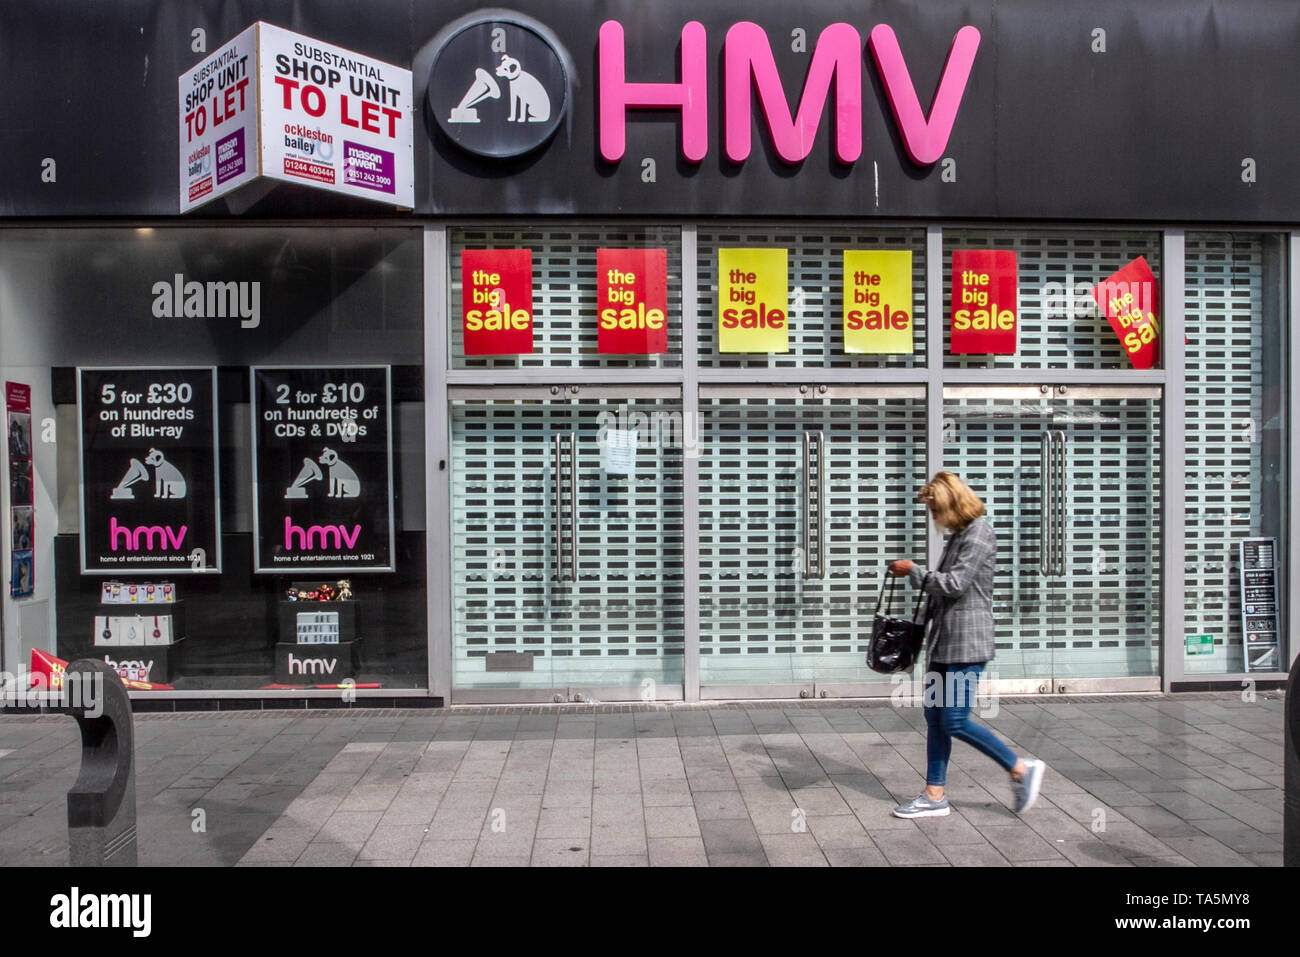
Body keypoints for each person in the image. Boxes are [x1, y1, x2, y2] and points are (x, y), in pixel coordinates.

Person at [887, 470, 1045, 818]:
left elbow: (954, 584)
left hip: (966, 646)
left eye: (934, 509)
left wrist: (912, 570)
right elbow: (940, 594)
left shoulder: (979, 534)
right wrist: (914, 634)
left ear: (950, 504)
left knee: (954, 721)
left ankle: (1020, 768)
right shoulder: (959, 536)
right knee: (934, 717)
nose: (934, 518)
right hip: (944, 645)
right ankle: (934, 794)